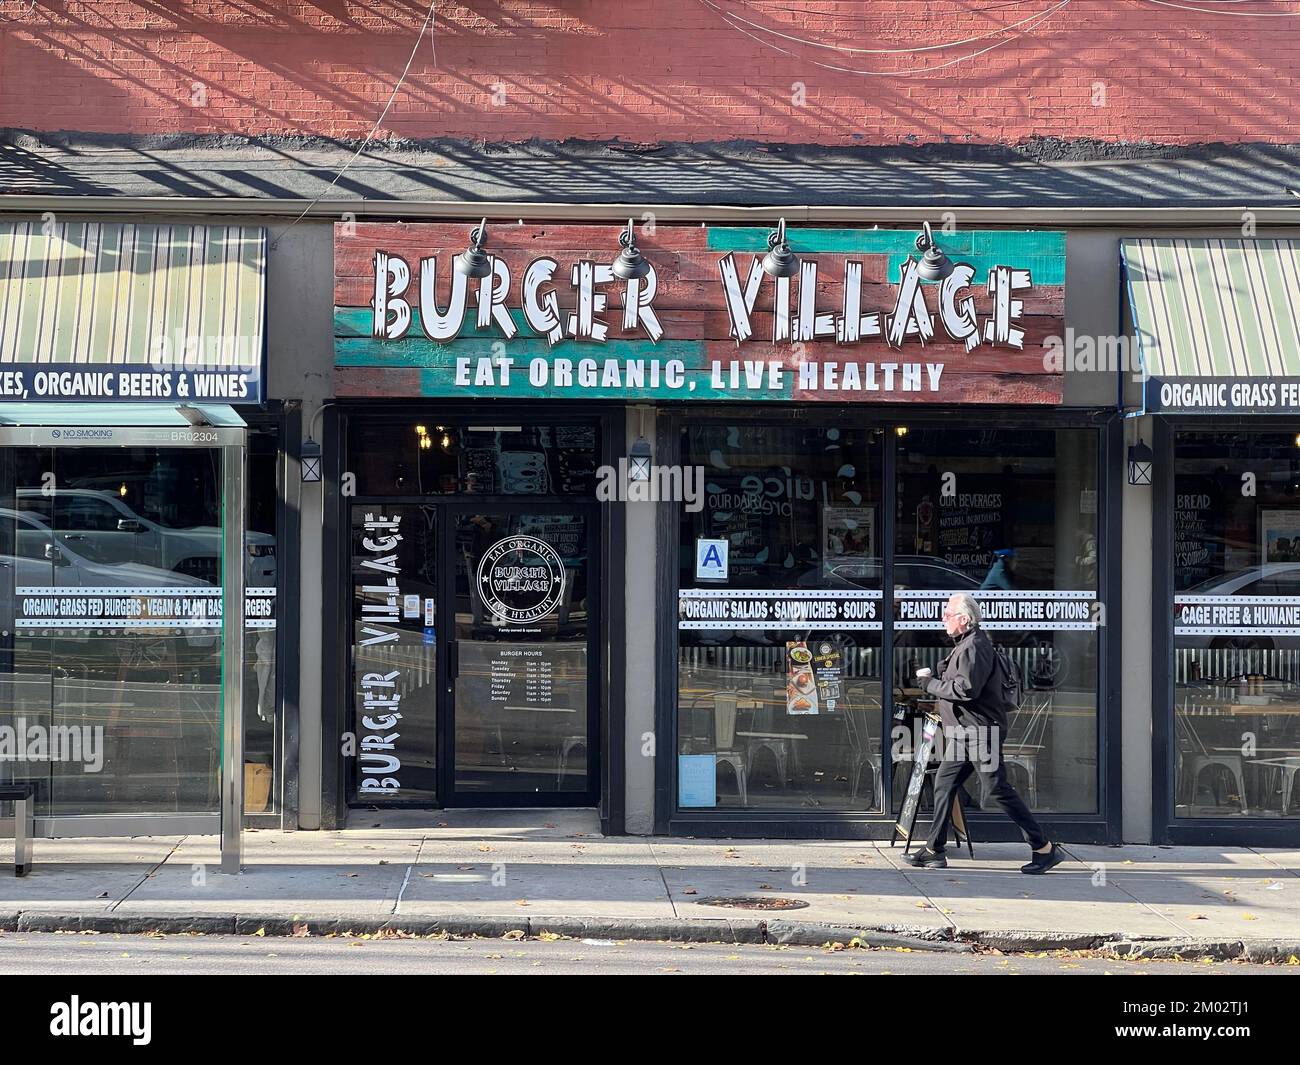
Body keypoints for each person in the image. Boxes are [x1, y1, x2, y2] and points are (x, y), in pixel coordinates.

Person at [903, 592, 1065, 874]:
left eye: (948, 614)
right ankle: (934, 850)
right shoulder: (966, 644)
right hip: (965, 734)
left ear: (964, 619)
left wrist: (930, 683)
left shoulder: (974, 647)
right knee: (943, 784)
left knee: (996, 789)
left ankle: (1044, 847)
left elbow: (966, 689)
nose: (943, 619)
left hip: (979, 734)